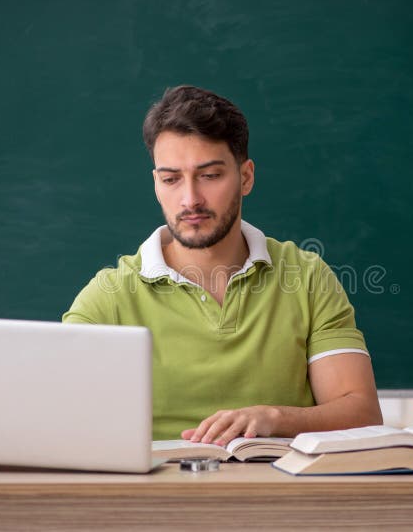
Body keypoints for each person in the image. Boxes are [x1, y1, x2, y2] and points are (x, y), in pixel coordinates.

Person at [63, 85, 382, 443]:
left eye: (210, 176)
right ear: (156, 183)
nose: (190, 199)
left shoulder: (307, 277)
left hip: (282, 493)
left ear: (245, 177)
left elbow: (362, 415)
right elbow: (56, 419)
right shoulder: (109, 297)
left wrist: (272, 418)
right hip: (156, 495)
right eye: (171, 179)